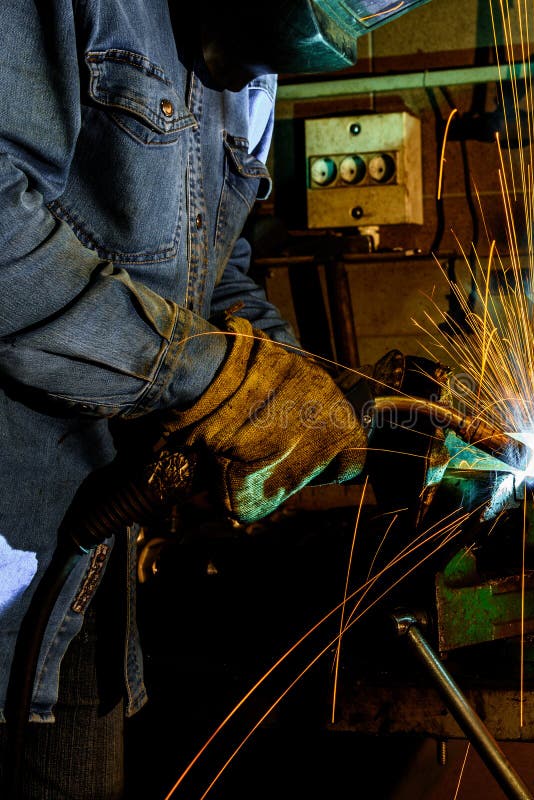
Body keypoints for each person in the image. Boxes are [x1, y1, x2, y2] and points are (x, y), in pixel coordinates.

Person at [0, 0, 429, 796]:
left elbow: (217, 271)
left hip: (84, 582)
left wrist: (316, 397)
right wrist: (209, 379)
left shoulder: (253, 81)